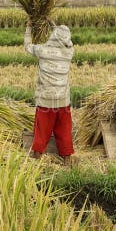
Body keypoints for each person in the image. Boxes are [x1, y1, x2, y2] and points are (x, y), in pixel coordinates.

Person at [24, 19, 74, 162]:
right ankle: (67, 161)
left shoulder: (43, 50)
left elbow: (27, 46)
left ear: (53, 36)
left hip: (46, 101)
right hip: (63, 101)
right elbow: (67, 41)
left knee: (42, 131)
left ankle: (37, 158)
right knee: (64, 131)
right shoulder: (69, 52)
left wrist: (28, 28)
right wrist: (54, 25)